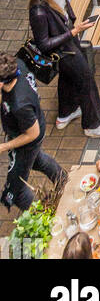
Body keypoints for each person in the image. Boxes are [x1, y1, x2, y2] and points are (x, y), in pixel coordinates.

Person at [29, 0, 100, 137]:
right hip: (64, 52)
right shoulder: (38, 11)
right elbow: (44, 44)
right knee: (86, 81)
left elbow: (65, 16)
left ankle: (66, 113)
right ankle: (93, 125)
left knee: (68, 78)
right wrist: (73, 31)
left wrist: (74, 28)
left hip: (70, 43)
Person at [0, 52, 64, 213]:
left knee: (17, 189)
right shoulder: (18, 64)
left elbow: (32, 134)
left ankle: (40, 218)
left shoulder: (19, 104)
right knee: (37, 160)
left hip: (29, 138)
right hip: (34, 120)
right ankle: (64, 181)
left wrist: (4, 146)